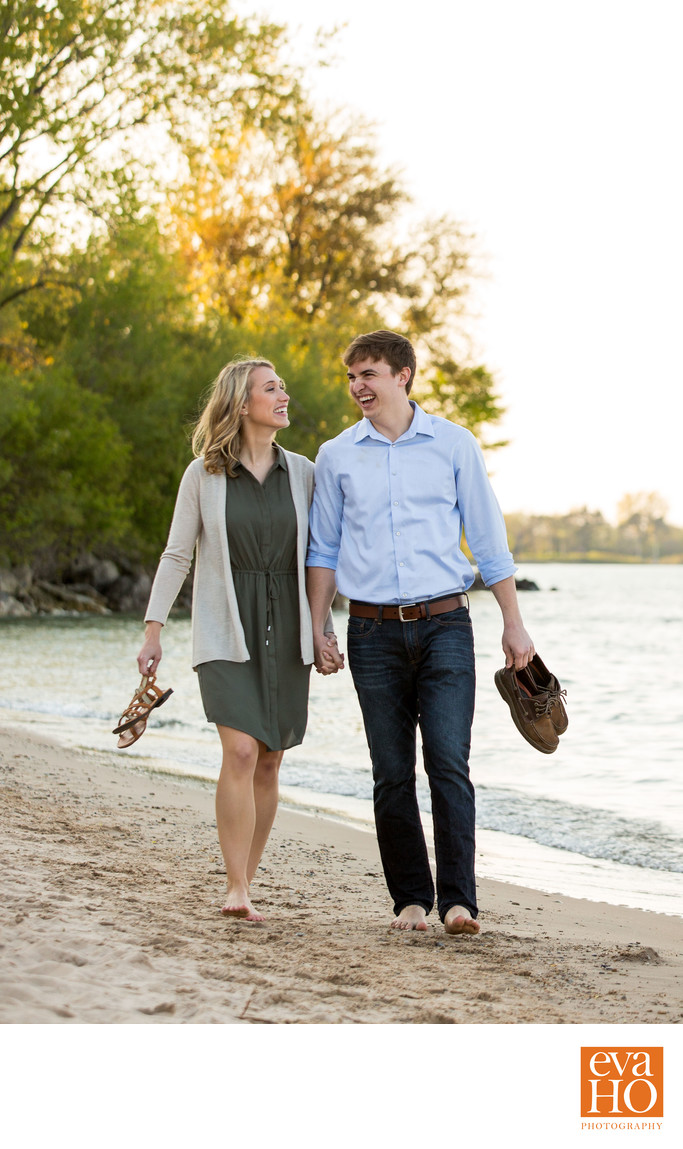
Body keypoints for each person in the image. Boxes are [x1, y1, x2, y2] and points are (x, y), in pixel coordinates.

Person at [306, 330, 534, 935]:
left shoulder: (454, 445)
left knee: (449, 763)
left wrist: (514, 623)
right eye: (352, 376)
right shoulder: (337, 456)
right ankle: (410, 899)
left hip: (447, 627)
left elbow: (487, 540)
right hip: (371, 632)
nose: (358, 386)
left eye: (370, 373)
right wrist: (317, 623)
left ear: (404, 375)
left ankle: (459, 901)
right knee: (390, 771)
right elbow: (323, 548)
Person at [133, 358, 339, 923]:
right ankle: (236, 887)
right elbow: (177, 555)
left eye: (282, 387)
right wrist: (154, 631)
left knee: (270, 759)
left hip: (288, 628)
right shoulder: (202, 475)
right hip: (227, 626)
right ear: (241, 403)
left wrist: (323, 629)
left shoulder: (305, 472)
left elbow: (322, 557)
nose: (284, 395)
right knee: (242, 750)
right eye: (271, 389)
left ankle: (247, 876)